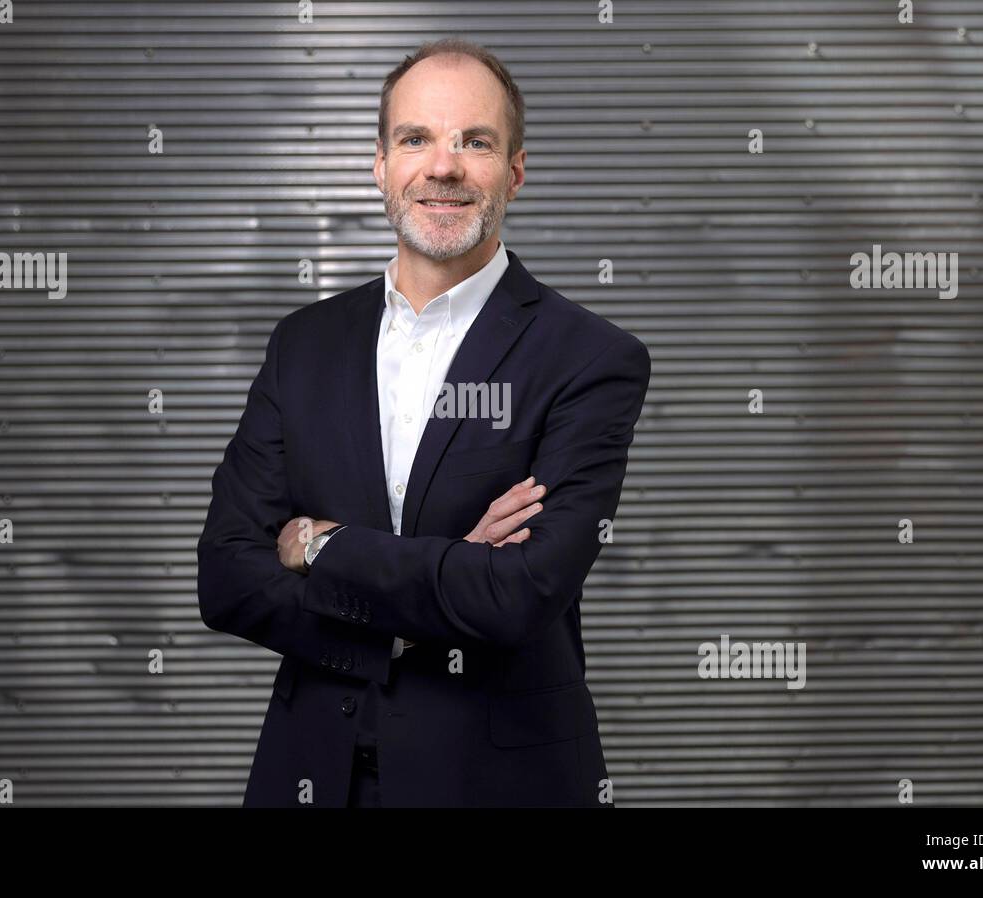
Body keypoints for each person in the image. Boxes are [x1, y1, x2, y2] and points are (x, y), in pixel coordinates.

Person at [197, 37, 650, 807]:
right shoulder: (303, 344)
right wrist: (435, 591)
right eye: (416, 138)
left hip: (499, 784)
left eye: (475, 141)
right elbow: (228, 578)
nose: (443, 166)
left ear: (515, 171)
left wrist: (320, 543)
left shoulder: (589, 358)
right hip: (313, 775)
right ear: (381, 164)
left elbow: (521, 593)